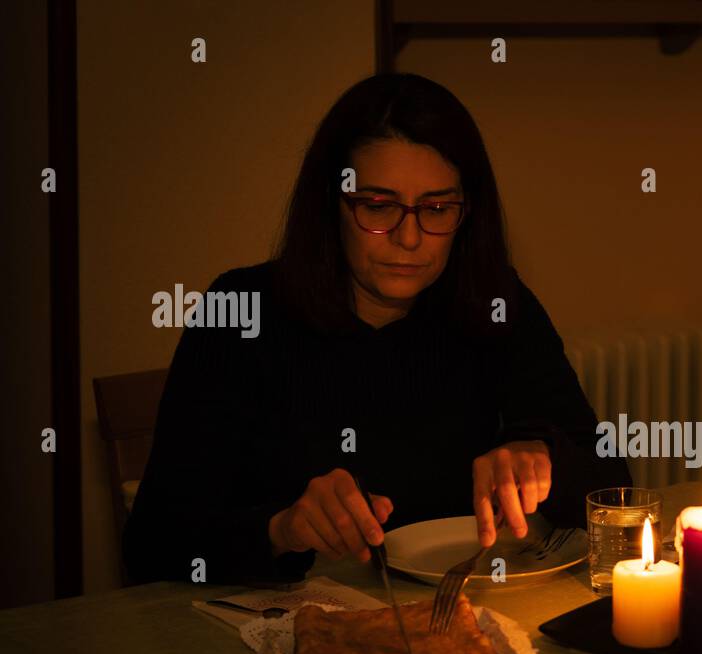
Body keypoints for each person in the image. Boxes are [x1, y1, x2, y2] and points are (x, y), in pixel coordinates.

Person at [124, 73, 631, 584]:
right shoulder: (242, 312)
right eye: (378, 206)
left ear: (467, 211)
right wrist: (282, 529)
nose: (408, 238)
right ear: (332, 203)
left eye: (436, 209)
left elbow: (616, 486)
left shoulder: (493, 303)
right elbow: (154, 544)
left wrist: (543, 454)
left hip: (459, 620)